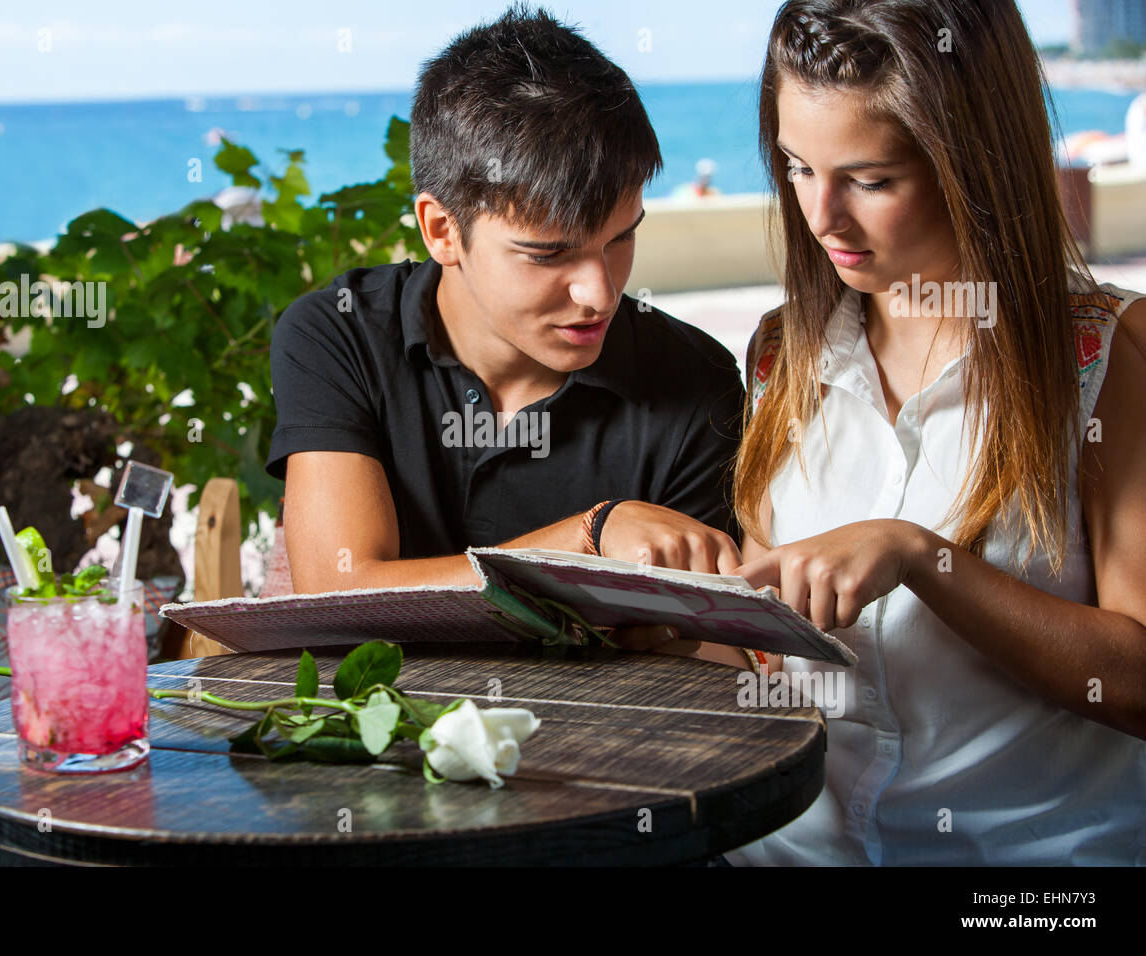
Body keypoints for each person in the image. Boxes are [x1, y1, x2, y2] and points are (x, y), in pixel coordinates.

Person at [704, 0, 1145, 865]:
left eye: (871, 179)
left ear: (974, 160)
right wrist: (681, 622)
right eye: (796, 168)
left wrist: (921, 556)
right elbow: (766, 649)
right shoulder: (779, 351)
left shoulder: (1106, 356)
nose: (820, 216)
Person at [266, 6, 761, 669]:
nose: (600, 293)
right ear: (442, 231)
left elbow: (714, 655)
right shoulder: (338, 332)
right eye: (548, 255)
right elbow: (336, 598)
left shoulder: (694, 380)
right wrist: (589, 538)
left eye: (621, 238)